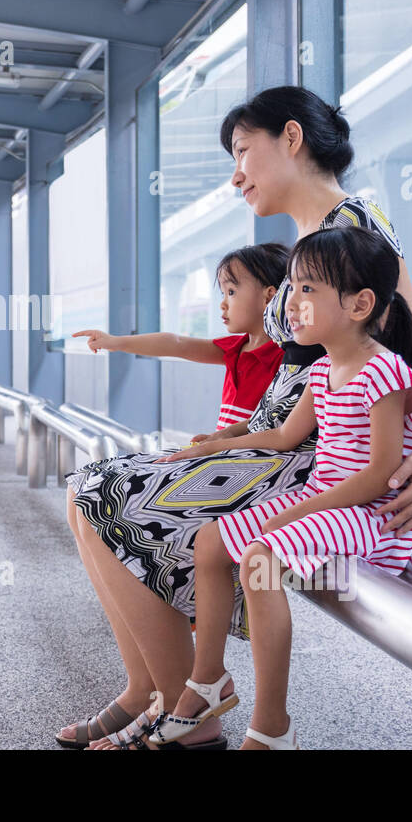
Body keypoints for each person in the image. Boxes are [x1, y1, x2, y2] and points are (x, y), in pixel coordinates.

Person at [58, 85, 412, 751]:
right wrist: (233, 434)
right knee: (87, 495)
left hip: (315, 462)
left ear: (290, 139)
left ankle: (185, 706)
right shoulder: (310, 240)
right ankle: (152, 690)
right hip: (273, 444)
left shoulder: (353, 228)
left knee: (96, 492)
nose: (236, 174)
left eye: (243, 152)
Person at [136, 226, 412, 750]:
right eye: (292, 288)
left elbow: (379, 473)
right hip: (323, 501)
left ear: (361, 303)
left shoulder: (383, 372)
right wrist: (214, 447)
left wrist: (295, 513)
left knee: (258, 555)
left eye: (309, 290)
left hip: (372, 516)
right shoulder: (322, 369)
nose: (292, 303)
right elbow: (281, 436)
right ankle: (207, 681)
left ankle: (272, 725)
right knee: (210, 542)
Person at [54, 242, 287, 749]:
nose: (222, 304)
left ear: (271, 295)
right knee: (80, 496)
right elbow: (177, 342)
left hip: (243, 472)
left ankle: (176, 699)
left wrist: (226, 439)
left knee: (106, 501)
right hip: (223, 462)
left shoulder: (290, 354)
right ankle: (147, 690)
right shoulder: (237, 347)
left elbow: (280, 432)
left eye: (231, 291)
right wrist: (116, 342)